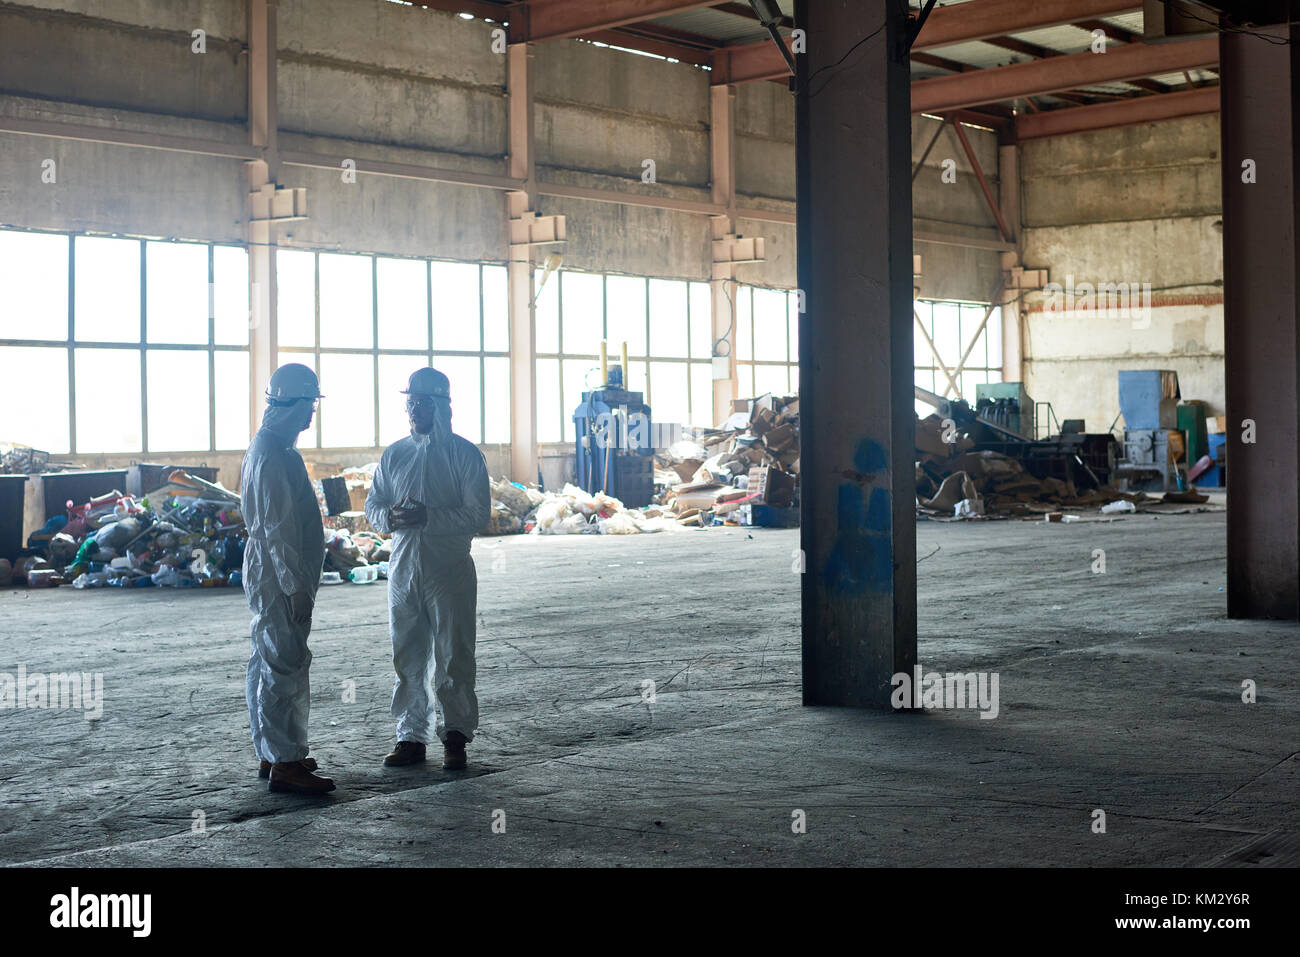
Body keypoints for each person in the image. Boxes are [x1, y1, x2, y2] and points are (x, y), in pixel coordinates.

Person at [365, 367, 490, 770]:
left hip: (448, 568)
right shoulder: (395, 454)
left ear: (441, 406)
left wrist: (428, 518)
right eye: (410, 403)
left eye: (421, 403)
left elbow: (477, 514)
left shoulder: (464, 455)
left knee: (453, 653)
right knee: (407, 655)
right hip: (403, 568)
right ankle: (410, 737)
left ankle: (455, 735)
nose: (414, 410)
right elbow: (373, 505)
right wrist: (391, 517)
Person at [241, 362, 334, 794]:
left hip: (272, 571)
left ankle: (274, 750)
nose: (311, 413)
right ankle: (287, 763)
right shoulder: (274, 455)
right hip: (279, 575)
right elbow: (278, 528)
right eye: (308, 405)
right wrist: (295, 586)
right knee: (286, 663)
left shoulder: (271, 447)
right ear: (288, 404)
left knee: (269, 659)